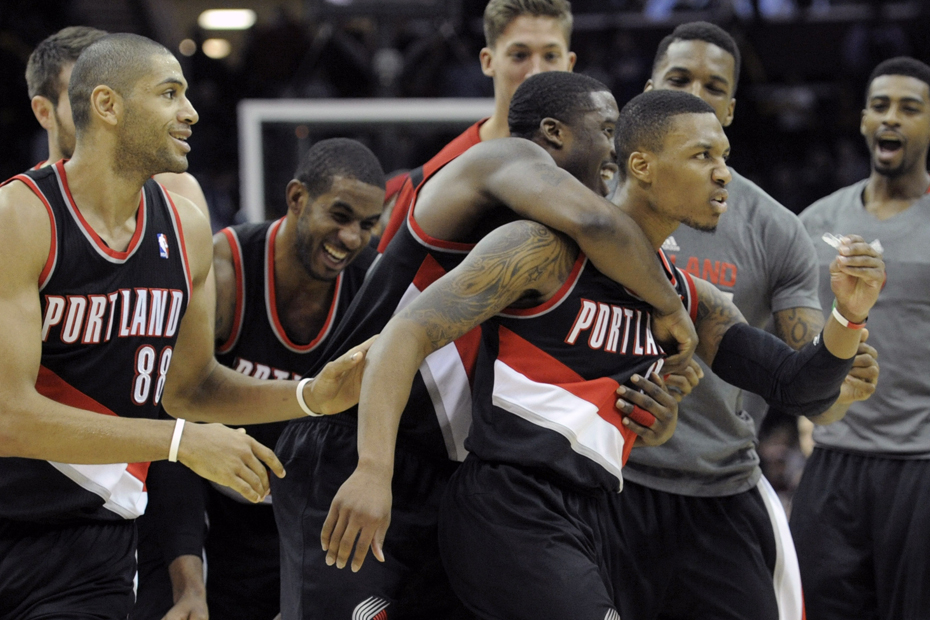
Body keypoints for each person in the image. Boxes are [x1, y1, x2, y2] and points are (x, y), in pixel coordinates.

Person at [345, 88, 884, 620]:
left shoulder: (686, 293)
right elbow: (405, 334)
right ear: (643, 164)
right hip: (509, 504)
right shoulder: (545, 250)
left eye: (725, 157)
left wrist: (848, 316)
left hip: (596, 514)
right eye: (703, 156)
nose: (723, 173)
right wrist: (373, 469)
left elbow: (798, 386)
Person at [274, 71, 695, 619]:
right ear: (553, 134)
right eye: (609, 129)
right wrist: (671, 305)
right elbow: (598, 219)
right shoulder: (501, 159)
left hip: (448, 471)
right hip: (357, 442)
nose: (618, 147)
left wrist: (653, 422)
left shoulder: (569, 250)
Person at [0, 33, 368, 620]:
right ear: (107, 105)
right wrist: (179, 441)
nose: (191, 112)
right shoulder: (21, 216)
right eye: (169, 93)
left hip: (95, 546)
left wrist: (308, 396)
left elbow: (191, 388)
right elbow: (7, 417)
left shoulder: (187, 227)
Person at [604, 22, 880, 620]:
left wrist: (844, 345)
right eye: (680, 80)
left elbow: (814, 398)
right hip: (606, 483)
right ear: (649, 89)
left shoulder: (775, 227)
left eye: (714, 87)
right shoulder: (585, 204)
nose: (697, 94)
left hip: (718, 492)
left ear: (730, 108)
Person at [203, 137, 384, 620]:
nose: (351, 237)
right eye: (340, 216)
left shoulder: (372, 283)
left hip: (317, 519)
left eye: (367, 225)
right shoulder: (223, 269)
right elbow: (177, 405)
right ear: (297, 198)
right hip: (215, 512)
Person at [791, 56, 930, 620]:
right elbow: (792, 338)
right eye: (879, 106)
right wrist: (802, 410)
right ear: (863, 120)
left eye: (909, 108)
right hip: (833, 461)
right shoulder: (815, 222)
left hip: (921, 465)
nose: (890, 118)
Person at [376, 0, 577, 249]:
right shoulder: (433, 178)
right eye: (519, 55)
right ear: (487, 61)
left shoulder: (598, 169)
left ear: (569, 65)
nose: (535, 72)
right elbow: (388, 285)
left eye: (550, 56)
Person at [25, 26, 213, 222]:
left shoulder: (179, 194)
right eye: (87, 98)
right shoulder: (17, 207)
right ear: (44, 112)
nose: (107, 110)